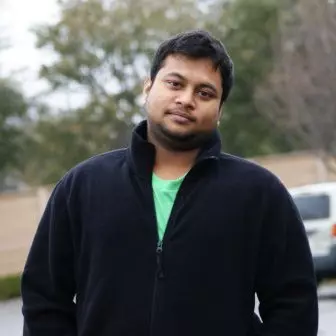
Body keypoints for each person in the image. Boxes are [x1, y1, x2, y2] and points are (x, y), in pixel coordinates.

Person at [21, 29, 318, 336]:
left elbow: (293, 304)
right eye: (175, 83)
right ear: (148, 87)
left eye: (204, 93)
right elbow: (44, 298)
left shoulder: (259, 193)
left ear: (219, 111)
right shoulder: (82, 186)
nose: (186, 99)